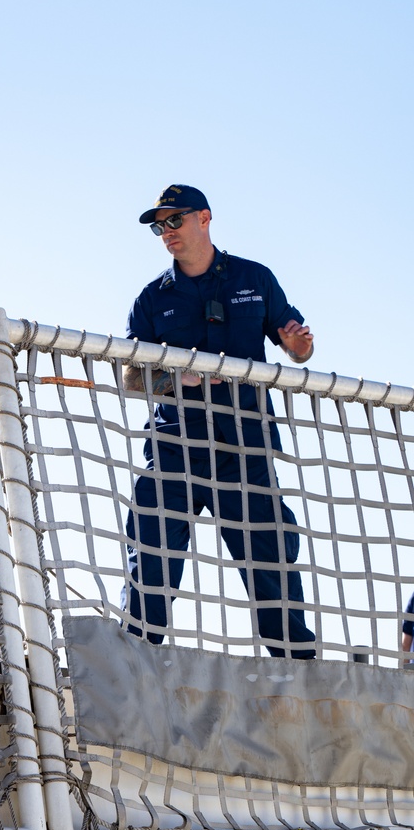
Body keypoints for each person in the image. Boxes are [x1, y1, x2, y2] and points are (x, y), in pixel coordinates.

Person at [122, 183, 316, 659]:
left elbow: (297, 346)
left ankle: (299, 673)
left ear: (204, 218)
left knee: (272, 561)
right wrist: (175, 380)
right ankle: (133, 664)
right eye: (159, 227)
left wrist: (298, 347)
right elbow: (132, 377)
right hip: (174, 447)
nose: (167, 232)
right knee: (150, 555)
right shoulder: (151, 299)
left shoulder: (255, 278)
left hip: (245, 448)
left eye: (175, 220)